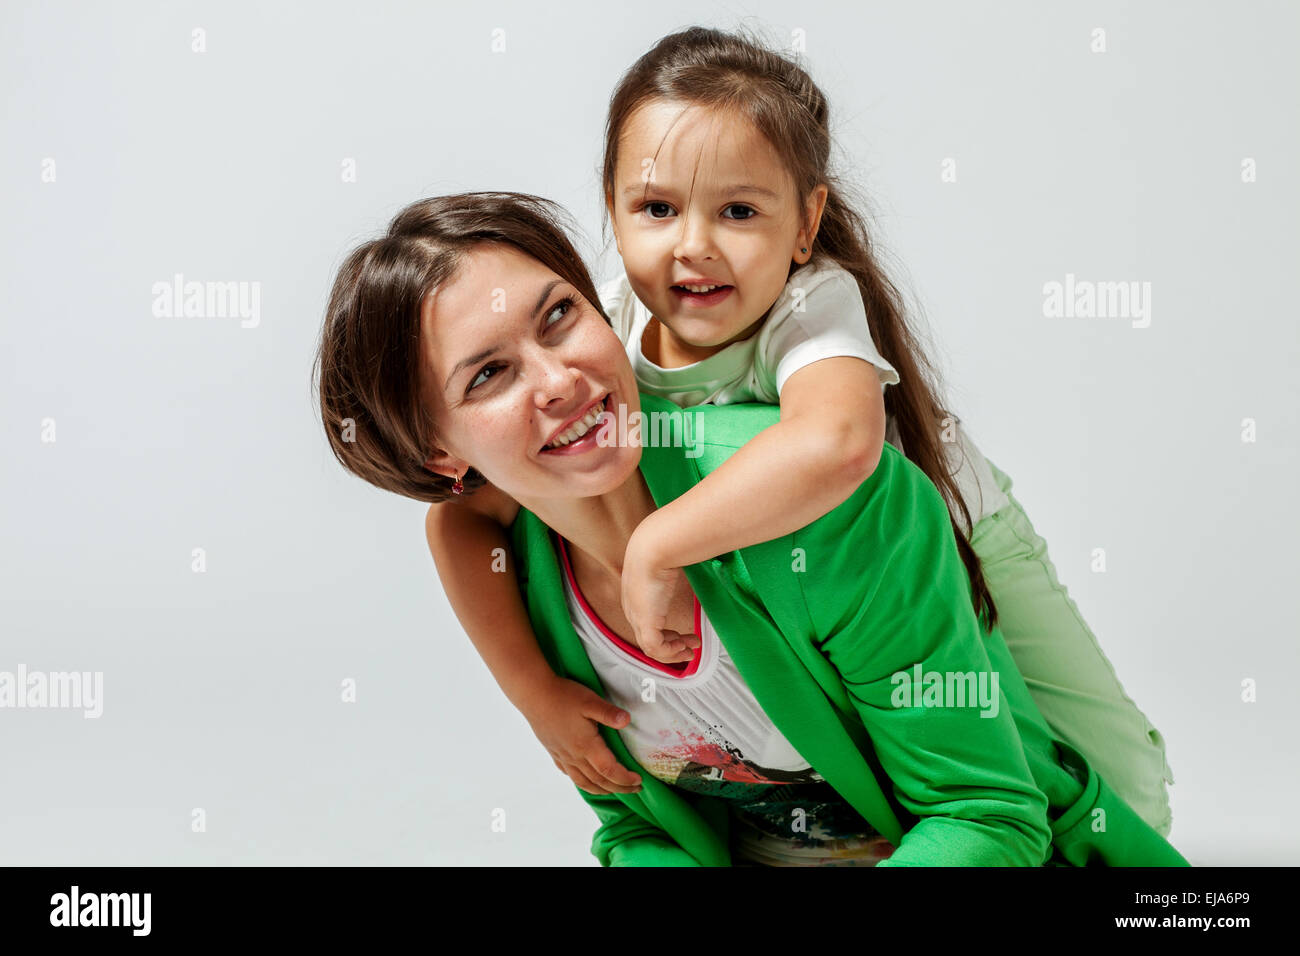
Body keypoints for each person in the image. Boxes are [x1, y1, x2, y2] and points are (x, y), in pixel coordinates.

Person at [421, 26, 1174, 835]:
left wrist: (658, 545)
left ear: (806, 222)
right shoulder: (594, 329)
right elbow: (461, 518)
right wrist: (534, 693)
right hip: (811, 581)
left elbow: (837, 446)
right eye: (657, 208)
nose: (694, 247)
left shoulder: (812, 307)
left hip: (956, 532)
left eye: (739, 210)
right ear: (611, 208)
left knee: (1121, 781)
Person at [313, 190, 1187, 867]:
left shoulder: (824, 505)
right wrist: (533, 692)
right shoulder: (519, 581)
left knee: (1127, 774)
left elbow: (985, 815)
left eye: (559, 317)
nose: (561, 378)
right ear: (440, 455)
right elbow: (636, 823)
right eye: (489, 376)